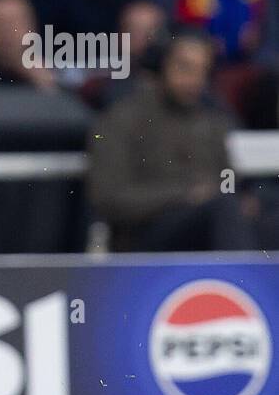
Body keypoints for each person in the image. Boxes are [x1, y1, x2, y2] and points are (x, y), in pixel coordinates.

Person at [88, 29, 254, 252]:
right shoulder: (121, 118)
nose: (194, 80)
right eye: (184, 68)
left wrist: (243, 199)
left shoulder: (212, 119)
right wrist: (185, 195)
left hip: (210, 223)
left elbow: (227, 179)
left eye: (201, 71)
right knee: (222, 210)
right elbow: (108, 197)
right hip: (143, 235)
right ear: (160, 66)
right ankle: (240, 281)